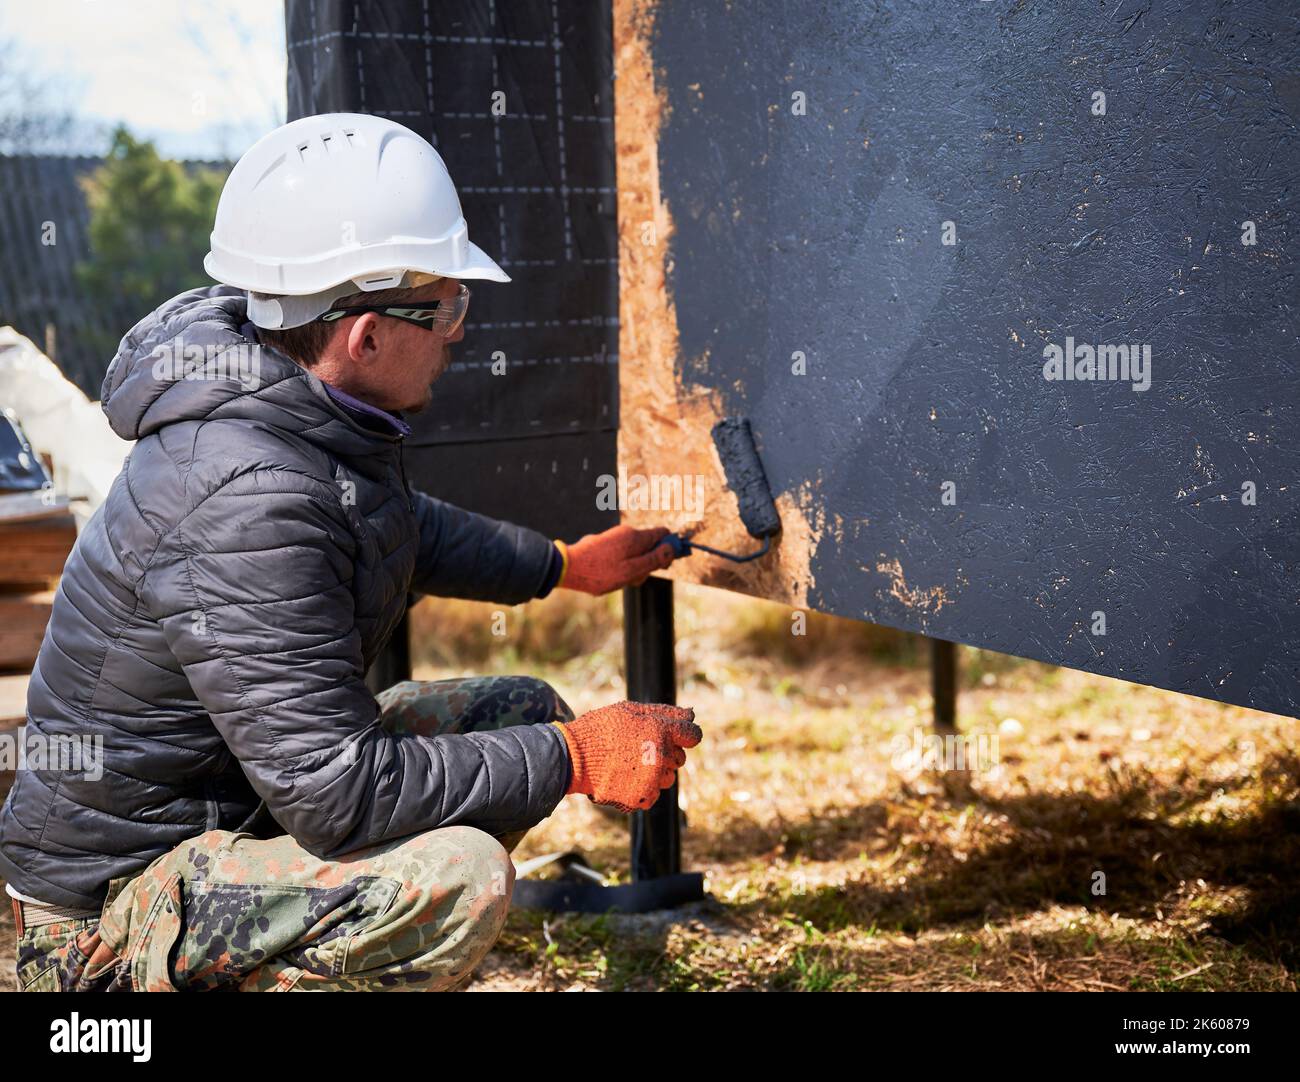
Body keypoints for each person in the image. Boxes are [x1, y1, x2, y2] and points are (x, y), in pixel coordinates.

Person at [1, 113, 702, 992]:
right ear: (365, 334)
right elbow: (343, 795)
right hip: (105, 922)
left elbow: (403, 526)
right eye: (445, 304)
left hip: (233, 820)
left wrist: (566, 564)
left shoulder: (282, 411)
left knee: (516, 707)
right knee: (455, 879)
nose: (456, 329)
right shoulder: (246, 498)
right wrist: (577, 757)